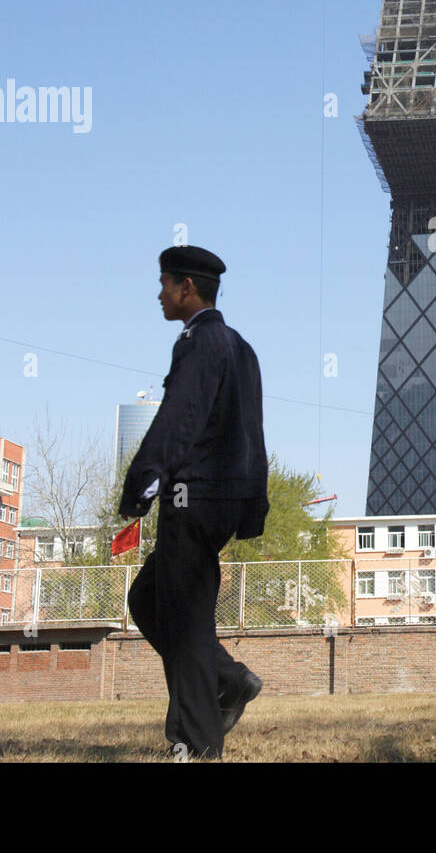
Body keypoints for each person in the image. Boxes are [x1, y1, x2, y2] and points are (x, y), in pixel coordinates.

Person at [120, 245, 269, 759]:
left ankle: (196, 742)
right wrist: (254, 500)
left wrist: (142, 483)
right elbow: (253, 430)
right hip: (225, 497)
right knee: (147, 600)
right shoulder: (240, 346)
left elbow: (179, 418)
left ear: (186, 287)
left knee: (185, 620)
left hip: (194, 496)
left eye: (164, 283)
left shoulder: (198, 341)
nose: (158, 294)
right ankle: (229, 679)